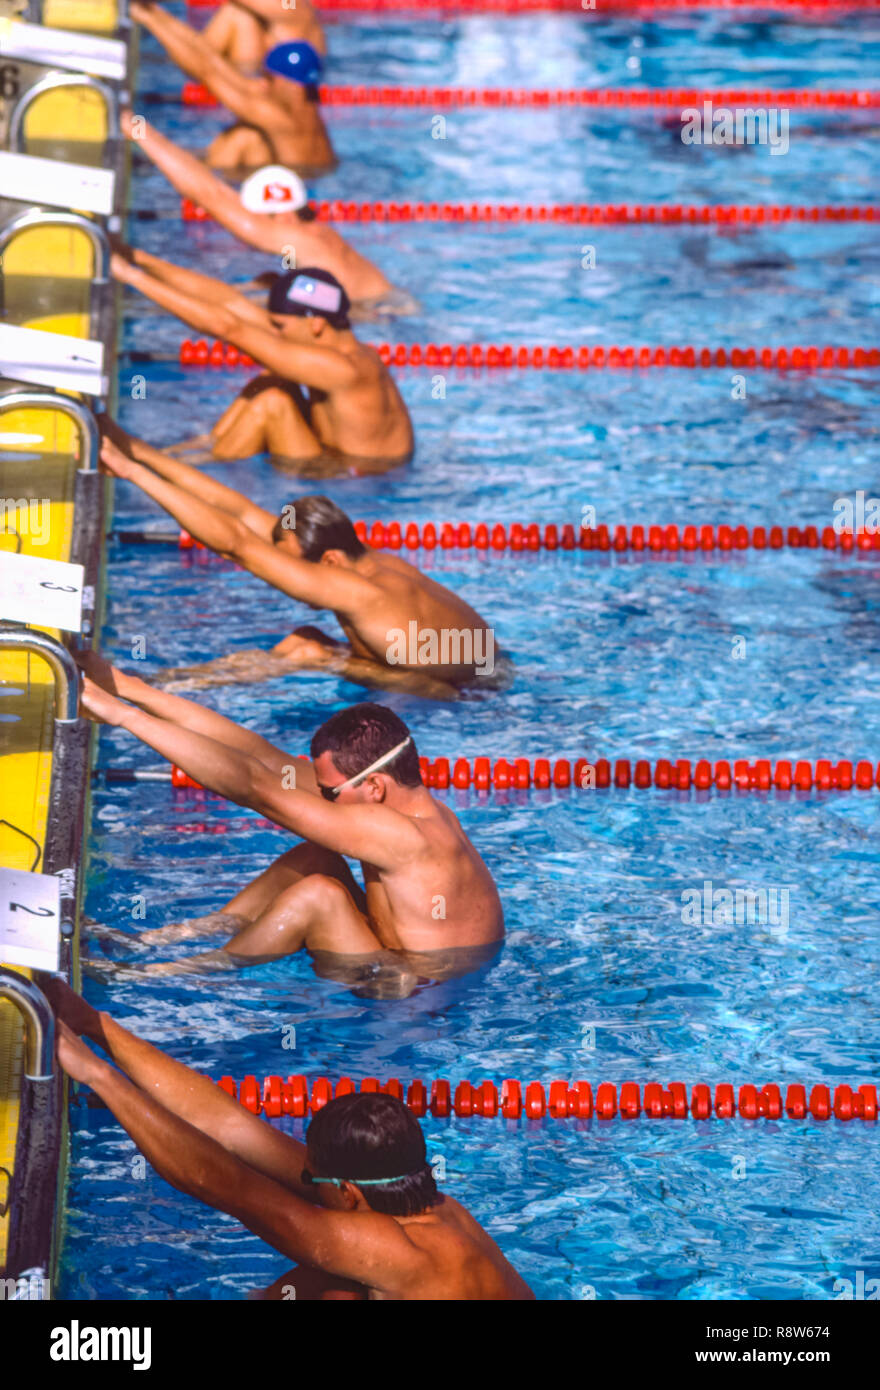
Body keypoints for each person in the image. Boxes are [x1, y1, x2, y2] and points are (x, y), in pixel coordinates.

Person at [46, 979, 534, 1300]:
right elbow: (232, 1127)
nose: (302, 1177)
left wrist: (100, 1079)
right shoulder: (436, 1211)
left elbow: (223, 1184)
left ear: (347, 1190)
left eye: (311, 1176)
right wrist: (93, 1025)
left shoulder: (388, 1248)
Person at [79, 666, 505, 994]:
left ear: (374, 784)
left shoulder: (403, 838)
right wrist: (125, 685)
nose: (321, 797)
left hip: (411, 991)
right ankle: (148, 942)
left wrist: (122, 717)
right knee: (315, 859)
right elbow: (260, 758)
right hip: (398, 955)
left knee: (319, 896)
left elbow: (255, 788)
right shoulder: (412, 811)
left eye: (329, 793)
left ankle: (157, 974)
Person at [98, 420, 496, 697]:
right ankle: (155, 683)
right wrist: (135, 451)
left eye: (297, 569)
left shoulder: (359, 591)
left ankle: (141, 687)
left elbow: (236, 544)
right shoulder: (360, 558)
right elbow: (240, 514)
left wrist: (135, 473)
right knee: (304, 640)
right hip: (481, 665)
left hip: (464, 695)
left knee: (308, 649)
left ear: (330, 562)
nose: (289, 579)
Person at [111, 250, 414, 471]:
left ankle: (185, 465)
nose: (275, 333)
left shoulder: (341, 369)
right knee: (276, 380)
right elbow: (231, 303)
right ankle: (200, 448)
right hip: (336, 456)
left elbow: (225, 327)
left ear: (316, 324)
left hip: (353, 479)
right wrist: (139, 258)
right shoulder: (343, 351)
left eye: (280, 327)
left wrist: (130, 276)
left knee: (273, 402)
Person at [125, 113, 418, 317]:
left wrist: (135, 128)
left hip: (370, 314)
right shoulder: (315, 232)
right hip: (390, 304)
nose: (255, 228)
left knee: (234, 308)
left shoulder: (293, 236)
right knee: (268, 284)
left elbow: (209, 194)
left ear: (283, 215)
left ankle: (134, 286)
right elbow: (220, 194)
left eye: (260, 218)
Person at [132, 2, 336, 176]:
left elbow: (207, 72)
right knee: (248, 137)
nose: (261, 83)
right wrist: (153, 13)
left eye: (266, 77)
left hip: (287, 188)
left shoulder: (277, 118)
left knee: (243, 139)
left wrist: (150, 20)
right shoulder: (301, 109)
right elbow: (211, 61)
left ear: (282, 80)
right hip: (299, 176)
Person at [201, 0, 327, 71]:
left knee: (239, 15)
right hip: (264, 77)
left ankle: (201, 68)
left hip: (265, 83)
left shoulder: (289, 6)